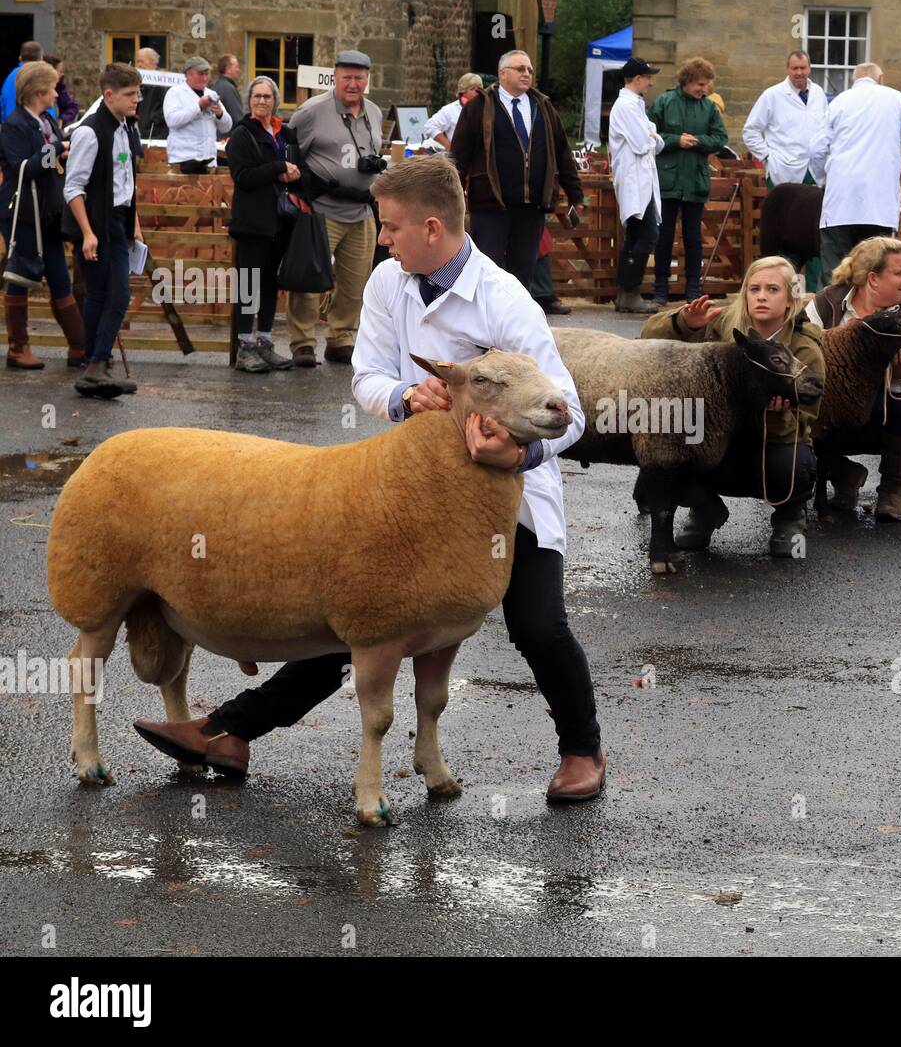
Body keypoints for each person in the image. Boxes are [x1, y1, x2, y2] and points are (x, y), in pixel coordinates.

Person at [132, 155, 608, 802]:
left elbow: (569, 413)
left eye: (390, 227)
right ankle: (230, 729)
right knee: (352, 621)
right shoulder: (389, 282)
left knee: (537, 623)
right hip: (413, 497)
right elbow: (366, 376)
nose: (381, 238)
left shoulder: (506, 301)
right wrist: (410, 397)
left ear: (432, 228)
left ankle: (582, 750)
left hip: (504, 501)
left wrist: (519, 457)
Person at [640, 255, 825, 556]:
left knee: (796, 465)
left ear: (791, 301)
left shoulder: (804, 347)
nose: (761, 296)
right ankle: (705, 507)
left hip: (772, 444)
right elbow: (649, 340)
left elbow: (809, 417)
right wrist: (684, 324)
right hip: (719, 436)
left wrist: (776, 417)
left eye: (772, 289)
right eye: (754, 289)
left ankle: (790, 515)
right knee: (668, 451)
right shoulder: (724, 325)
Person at [804, 237, 901, 520]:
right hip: (831, 406)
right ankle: (842, 473)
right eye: (899, 273)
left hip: (881, 411)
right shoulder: (825, 305)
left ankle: (892, 491)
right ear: (873, 278)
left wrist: (899, 372)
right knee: (809, 404)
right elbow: (804, 353)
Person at [450, 50, 582, 316]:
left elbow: (563, 154)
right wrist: (449, 196)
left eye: (530, 70)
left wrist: (575, 195)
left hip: (532, 204)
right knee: (489, 268)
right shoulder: (480, 106)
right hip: (491, 204)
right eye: (520, 69)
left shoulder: (543, 107)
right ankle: (484, 323)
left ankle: (514, 324)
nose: (527, 74)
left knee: (523, 271)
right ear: (502, 73)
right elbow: (459, 155)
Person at [286, 49, 387, 366]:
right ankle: (302, 342)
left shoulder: (374, 112)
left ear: (367, 79)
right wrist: (304, 190)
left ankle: (341, 338)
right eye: (347, 77)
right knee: (310, 278)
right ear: (335, 77)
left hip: (361, 210)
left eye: (359, 77)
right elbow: (290, 154)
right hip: (322, 210)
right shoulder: (311, 112)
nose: (353, 83)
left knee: (356, 282)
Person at [62, 62, 145, 399]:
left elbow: (126, 181)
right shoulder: (89, 131)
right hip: (97, 222)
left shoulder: (126, 128)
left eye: (138, 93)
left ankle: (95, 366)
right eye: (129, 94)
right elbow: (73, 187)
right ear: (108, 95)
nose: (136, 99)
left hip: (118, 220)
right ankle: (97, 364)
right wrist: (88, 233)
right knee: (117, 295)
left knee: (98, 294)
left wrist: (134, 224)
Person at [809, 61, 901, 280]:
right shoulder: (894, 98)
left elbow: (817, 148)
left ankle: (833, 313)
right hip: (879, 204)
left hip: (840, 202)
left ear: (853, 80)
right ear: (881, 79)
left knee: (835, 275)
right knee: (874, 273)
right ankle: (872, 314)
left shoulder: (839, 102)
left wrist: (822, 180)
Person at [2, 61, 84, 369]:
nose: (56, 93)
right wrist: (57, 148)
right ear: (38, 92)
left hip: (48, 211)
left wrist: (63, 147)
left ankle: (79, 346)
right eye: (52, 88)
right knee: (21, 273)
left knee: (60, 274)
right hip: (22, 211)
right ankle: (17, 347)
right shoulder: (15, 125)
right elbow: (25, 166)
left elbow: (47, 158)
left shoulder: (47, 120)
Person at [225, 76, 300, 373]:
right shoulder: (242, 135)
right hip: (252, 220)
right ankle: (245, 346)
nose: (261, 101)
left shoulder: (286, 133)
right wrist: (277, 169)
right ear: (249, 101)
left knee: (270, 281)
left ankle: (265, 343)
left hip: (281, 219)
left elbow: (299, 166)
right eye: (256, 96)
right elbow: (243, 177)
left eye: (267, 97)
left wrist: (292, 172)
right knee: (249, 282)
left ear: (275, 101)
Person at [647, 57, 729, 304]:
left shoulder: (709, 108)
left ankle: (693, 286)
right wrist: (675, 141)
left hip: (695, 181)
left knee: (693, 237)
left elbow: (720, 137)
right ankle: (660, 287)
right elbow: (650, 134)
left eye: (706, 85)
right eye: (700, 85)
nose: (704, 90)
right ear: (687, 81)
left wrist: (698, 141)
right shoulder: (664, 102)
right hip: (667, 181)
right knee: (664, 236)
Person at [608, 56, 663, 314]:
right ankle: (630, 291)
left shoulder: (636, 106)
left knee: (637, 235)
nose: (651, 82)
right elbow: (644, 143)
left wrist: (652, 137)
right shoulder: (627, 107)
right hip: (634, 179)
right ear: (638, 78)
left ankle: (626, 292)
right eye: (649, 77)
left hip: (642, 179)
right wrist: (651, 137)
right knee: (646, 234)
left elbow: (653, 140)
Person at [743, 50, 829, 189]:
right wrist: (767, 157)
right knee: (781, 211)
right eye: (795, 68)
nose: (799, 72)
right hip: (782, 170)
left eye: (803, 68)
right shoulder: (772, 95)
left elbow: (826, 128)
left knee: (812, 211)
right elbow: (751, 130)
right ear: (787, 69)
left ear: (810, 68)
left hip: (813, 170)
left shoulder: (818, 93)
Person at [164, 56, 231, 173]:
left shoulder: (212, 94)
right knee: (183, 191)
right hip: (183, 161)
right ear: (188, 74)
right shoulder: (175, 93)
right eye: (201, 74)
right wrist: (199, 106)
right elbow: (172, 121)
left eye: (206, 74)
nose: (205, 78)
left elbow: (227, 127)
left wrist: (220, 114)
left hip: (209, 161)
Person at [424, 72, 483, 149]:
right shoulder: (450, 110)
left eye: (479, 89)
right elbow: (430, 126)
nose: (477, 92)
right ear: (463, 91)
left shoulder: (487, 108)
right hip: (460, 157)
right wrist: (450, 147)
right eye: (472, 89)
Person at [1, 41, 42, 121]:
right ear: (40, 57)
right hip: (27, 129)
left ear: (21, 57)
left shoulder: (10, 77)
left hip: (10, 127)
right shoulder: (36, 76)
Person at [133, 48, 168, 142]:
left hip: (157, 134)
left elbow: (166, 107)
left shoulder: (163, 80)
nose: (139, 65)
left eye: (142, 61)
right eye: (137, 61)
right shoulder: (139, 81)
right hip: (142, 132)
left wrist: (152, 120)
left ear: (153, 63)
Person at [212, 54, 245, 123]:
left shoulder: (218, 84)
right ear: (228, 69)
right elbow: (237, 118)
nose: (238, 70)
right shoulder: (228, 88)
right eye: (236, 67)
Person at [47, 58, 80, 126]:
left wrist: (62, 118)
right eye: (60, 71)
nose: (62, 74)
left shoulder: (60, 88)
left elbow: (72, 106)